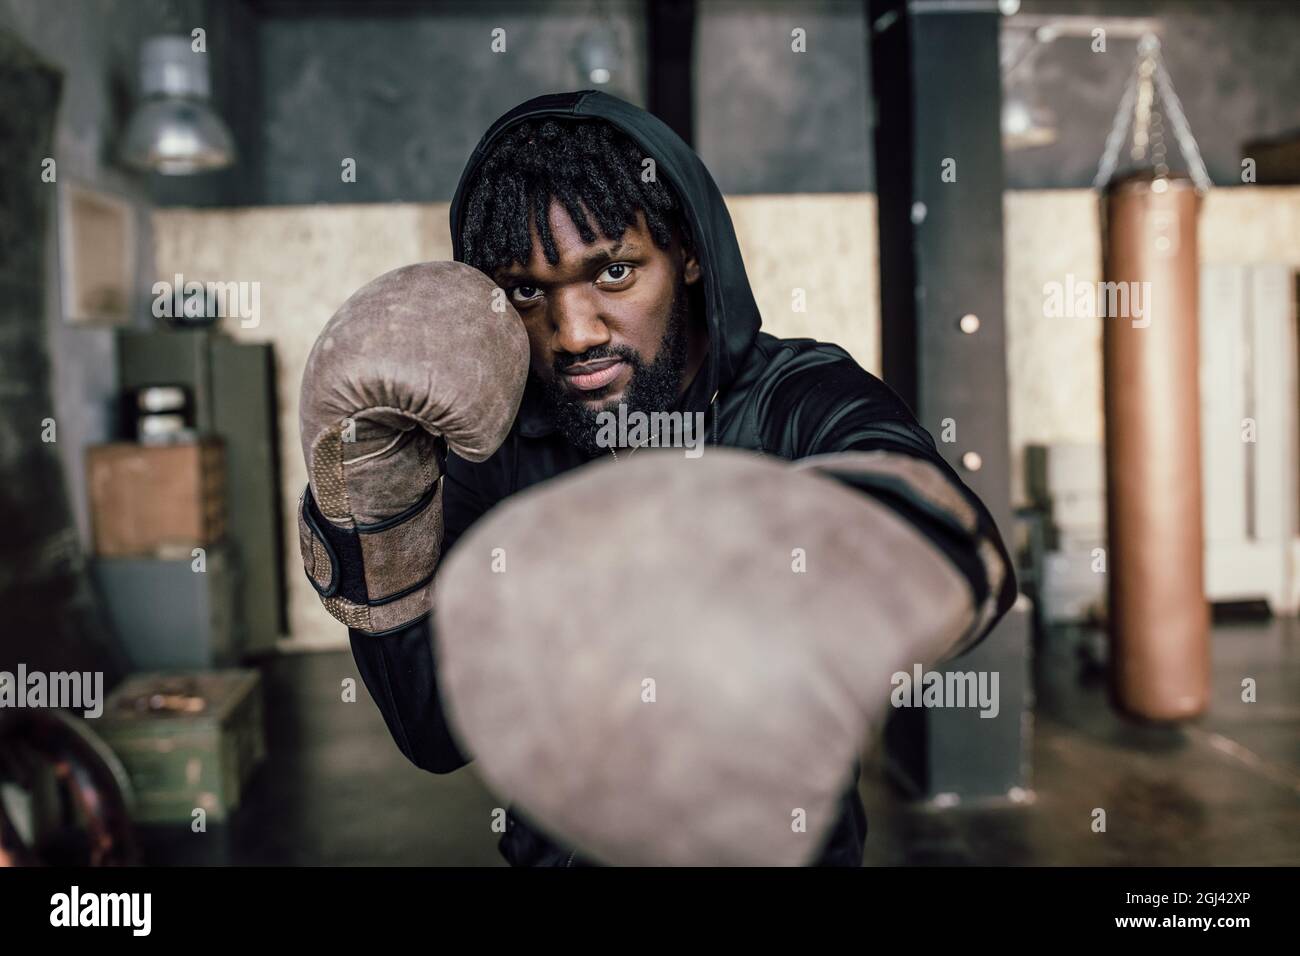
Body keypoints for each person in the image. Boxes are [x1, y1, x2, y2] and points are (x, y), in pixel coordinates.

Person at [299, 90, 1016, 866]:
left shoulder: (794, 397)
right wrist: (381, 508)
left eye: (613, 272)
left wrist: (785, 586)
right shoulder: (497, 447)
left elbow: (962, 550)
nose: (574, 334)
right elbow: (435, 734)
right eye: (528, 292)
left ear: (687, 253)